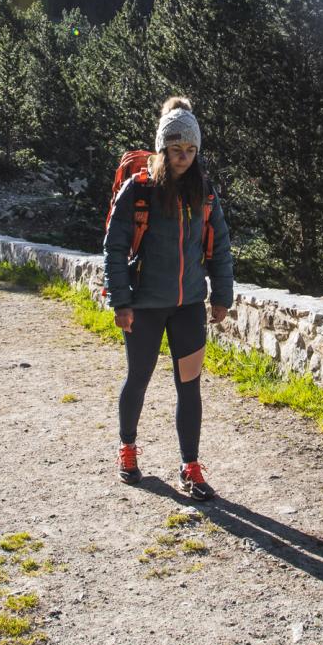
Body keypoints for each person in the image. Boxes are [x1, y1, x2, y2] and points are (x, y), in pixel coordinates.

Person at [102, 96, 234, 500]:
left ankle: (190, 468)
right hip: (142, 306)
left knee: (189, 386)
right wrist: (121, 303)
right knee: (138, 378)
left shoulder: (205, 192)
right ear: (163, 148)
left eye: (191, 150)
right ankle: (127, 450)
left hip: (189, 305)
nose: (184, 158)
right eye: (177, 150)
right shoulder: (138, 189)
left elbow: (221, 246)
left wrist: (221, 296)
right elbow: (114, 248)